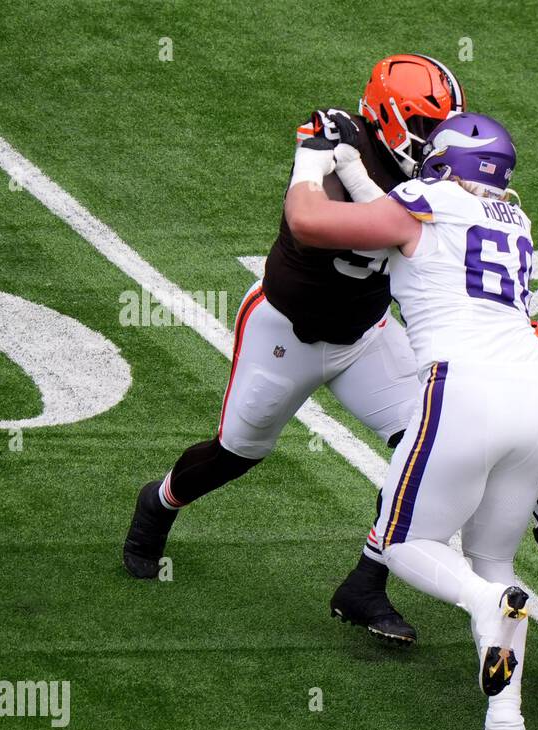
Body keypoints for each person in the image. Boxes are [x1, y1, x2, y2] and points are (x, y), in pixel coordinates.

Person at [123, 54, 465, 646]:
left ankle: (365, 584)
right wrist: (320, 158)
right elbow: (309, 221)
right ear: (386, 116)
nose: (436, 144)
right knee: (236, 453)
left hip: (366, 338)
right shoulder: (338, 143)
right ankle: (159, 502)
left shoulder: (436, 172)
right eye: (424, 128)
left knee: (429, 452)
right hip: (285, 332)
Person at [282, 111, 538, 730]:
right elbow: (407, 230)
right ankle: (506, 722)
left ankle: (482, 601)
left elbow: (309, 222)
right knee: (494, 558)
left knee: (405, 541)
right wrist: (352, 166)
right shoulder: (514, 220)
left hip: (463, 388)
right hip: (535, 396)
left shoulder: (428, 202)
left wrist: (310, 159)